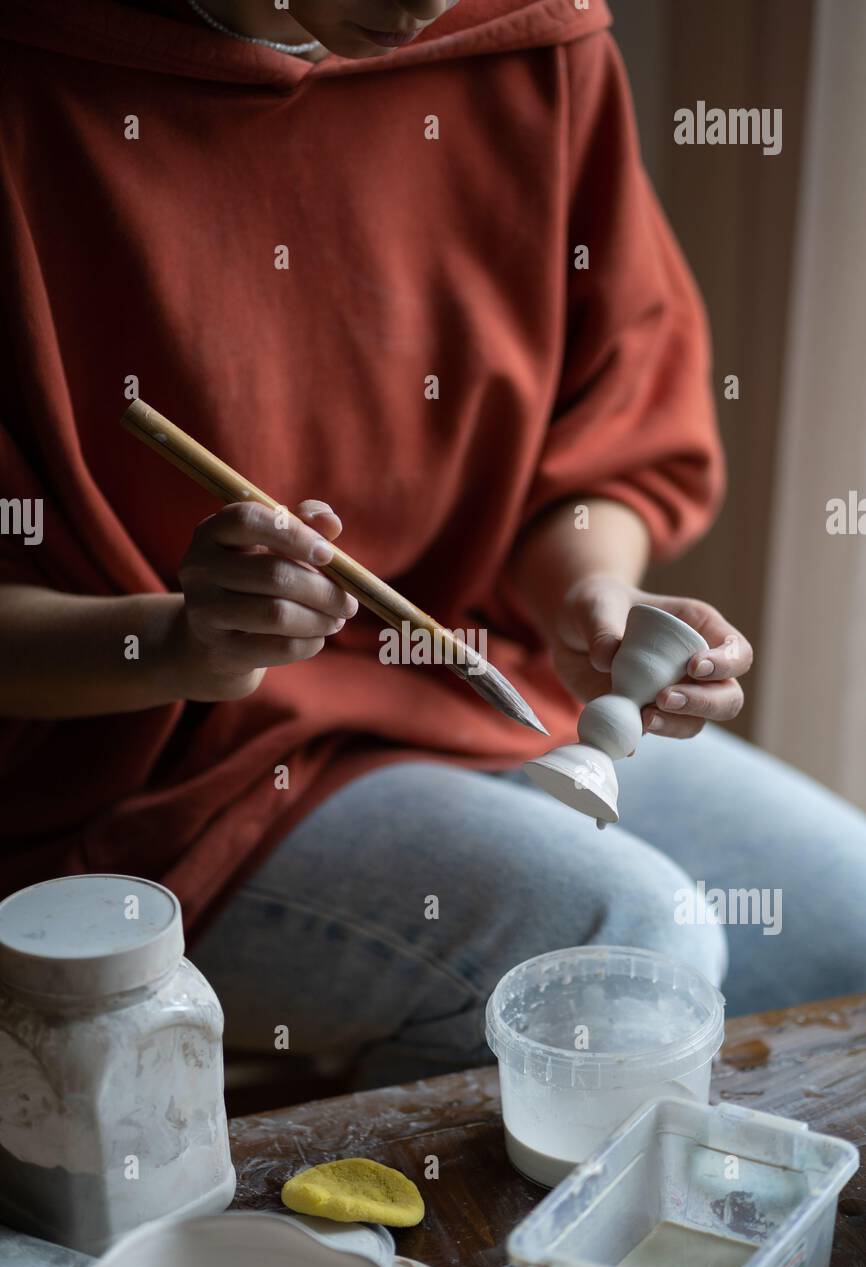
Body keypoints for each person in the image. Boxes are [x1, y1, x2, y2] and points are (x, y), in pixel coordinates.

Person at [1, 0, 864, 1090]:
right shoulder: (40, 73)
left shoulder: (526, 39)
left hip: (484, 689)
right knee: (625, 945)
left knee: (849, 927)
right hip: (147, 775)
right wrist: (182, 642)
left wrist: (586, 600)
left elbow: (599, 437)